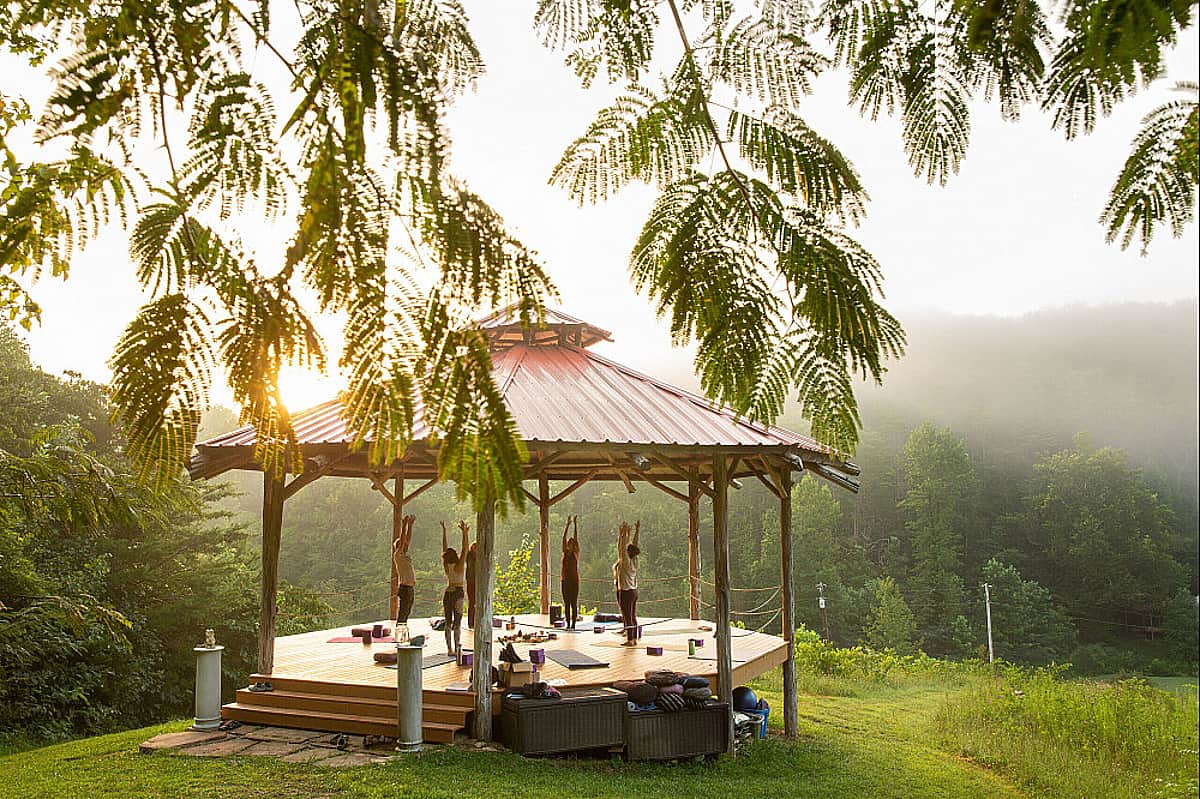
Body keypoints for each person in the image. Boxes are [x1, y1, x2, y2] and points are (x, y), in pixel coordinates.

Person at [441, 520, 470, 656]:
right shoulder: (459, 566)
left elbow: (444, 549)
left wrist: (444, 531)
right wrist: (465, 533)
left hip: (448, 592)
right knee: (457, 622)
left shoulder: (447, 566)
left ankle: (449, 649)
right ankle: (457, 648)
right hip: (458, 593)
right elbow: (465, 549)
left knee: (448, 622)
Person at [613, 520, 640, 646]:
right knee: (632, 616)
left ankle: (630, 639)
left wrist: (623, 534)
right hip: (633, 592)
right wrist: (636, 531)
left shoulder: (626, 563)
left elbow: (623, 548)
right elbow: (634, 545)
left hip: (626, 593)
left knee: (627, 617)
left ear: (628, 553)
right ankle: (634, 638)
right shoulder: (635, 560)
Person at [392, 514, 416, 627]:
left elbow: (407, 540)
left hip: (409, 588)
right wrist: (404, 525)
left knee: (406, 612)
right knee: (403, 612)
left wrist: (410, 526)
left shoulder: (404, 555)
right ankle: (400, 630)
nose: (406, 545)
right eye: (403, 545)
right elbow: (403, 540)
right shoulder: (398, 555)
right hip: (405, 588)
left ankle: (402, 629)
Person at [561, 515, 581, 629]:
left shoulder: (575, 554)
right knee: (566, 603)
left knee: (573, 603)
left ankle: (573, 623)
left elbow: (576, 540)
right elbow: (563, 538)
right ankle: (568, 623)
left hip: (574, 582)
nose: (570, 545)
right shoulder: (565, 553)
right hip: (565, 581)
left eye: (572, 544)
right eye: (569, 543)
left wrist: (575, 525)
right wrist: (567, 525)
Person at [464, 539, 478, 629]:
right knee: (472, 602)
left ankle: (476, 621)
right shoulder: (469, 557)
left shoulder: (479, 557)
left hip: (478, 582)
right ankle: (471, 622)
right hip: (471, 581)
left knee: (477, 602)